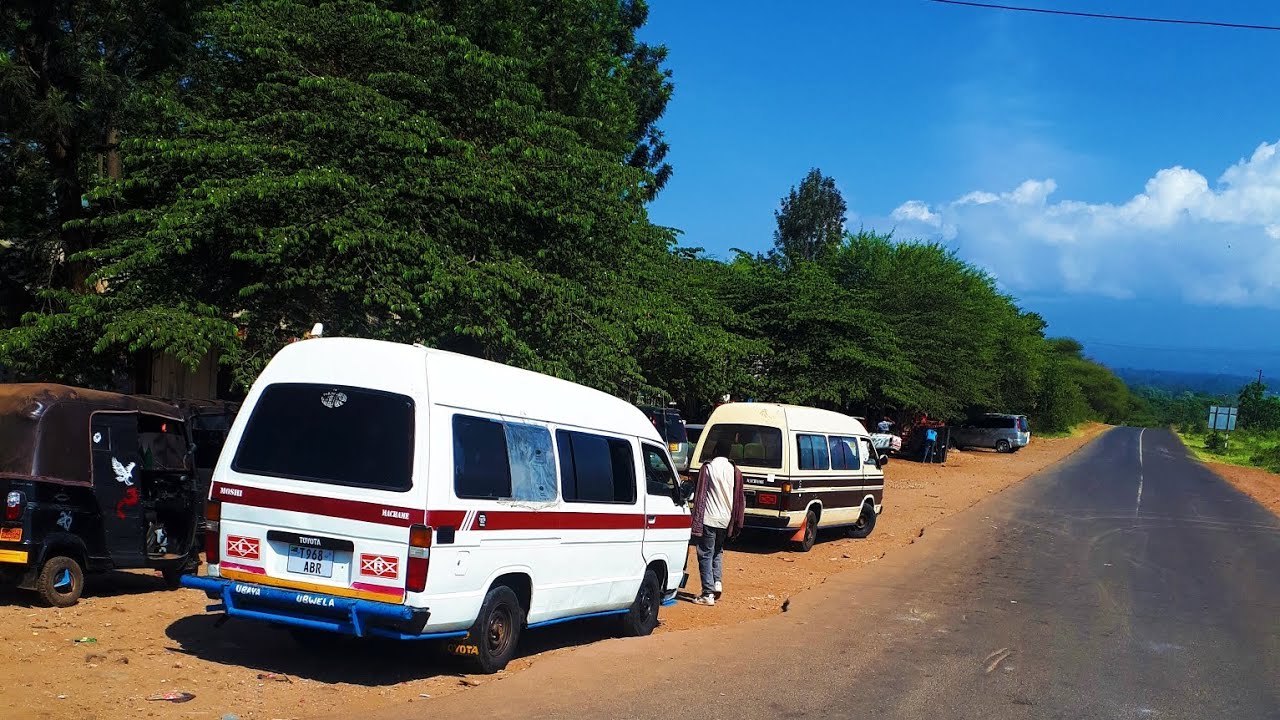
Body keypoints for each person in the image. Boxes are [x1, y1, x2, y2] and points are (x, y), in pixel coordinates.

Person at [690, 441, 744, 606]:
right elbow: (739, 499)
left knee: (705, 554)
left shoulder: (708, 468)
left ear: (714, 452)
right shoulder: (735, 471)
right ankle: (717, 583)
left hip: (709, 517)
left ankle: (707, 593)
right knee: (718, 551)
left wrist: (695, 522)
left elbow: (700, 495)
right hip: (725, 519)